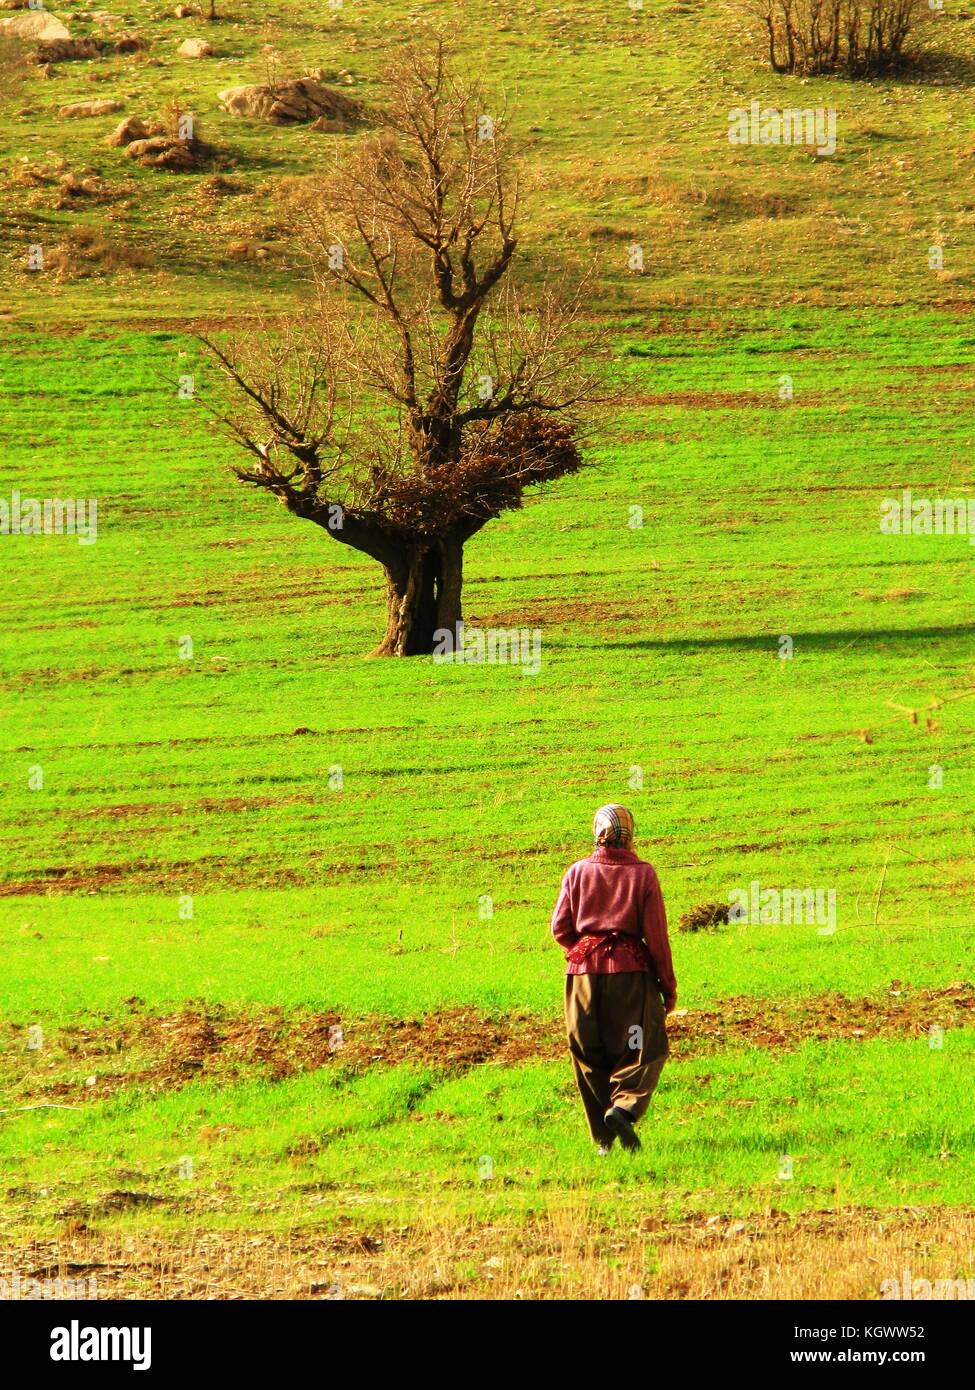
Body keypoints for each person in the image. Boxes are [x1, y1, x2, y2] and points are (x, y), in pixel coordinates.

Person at [551, 804, 677, 1153]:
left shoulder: (576, 872)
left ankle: (604, 1143)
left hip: (582, 979)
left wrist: (584, 950)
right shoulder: (643, 874)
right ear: (630, 835)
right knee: (643, 1046)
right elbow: (657, 938)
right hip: (631, 977)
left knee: (588, 1053)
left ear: (597, 833)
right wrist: (668, 986)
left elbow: (559, 929)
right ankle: (623, 1107)